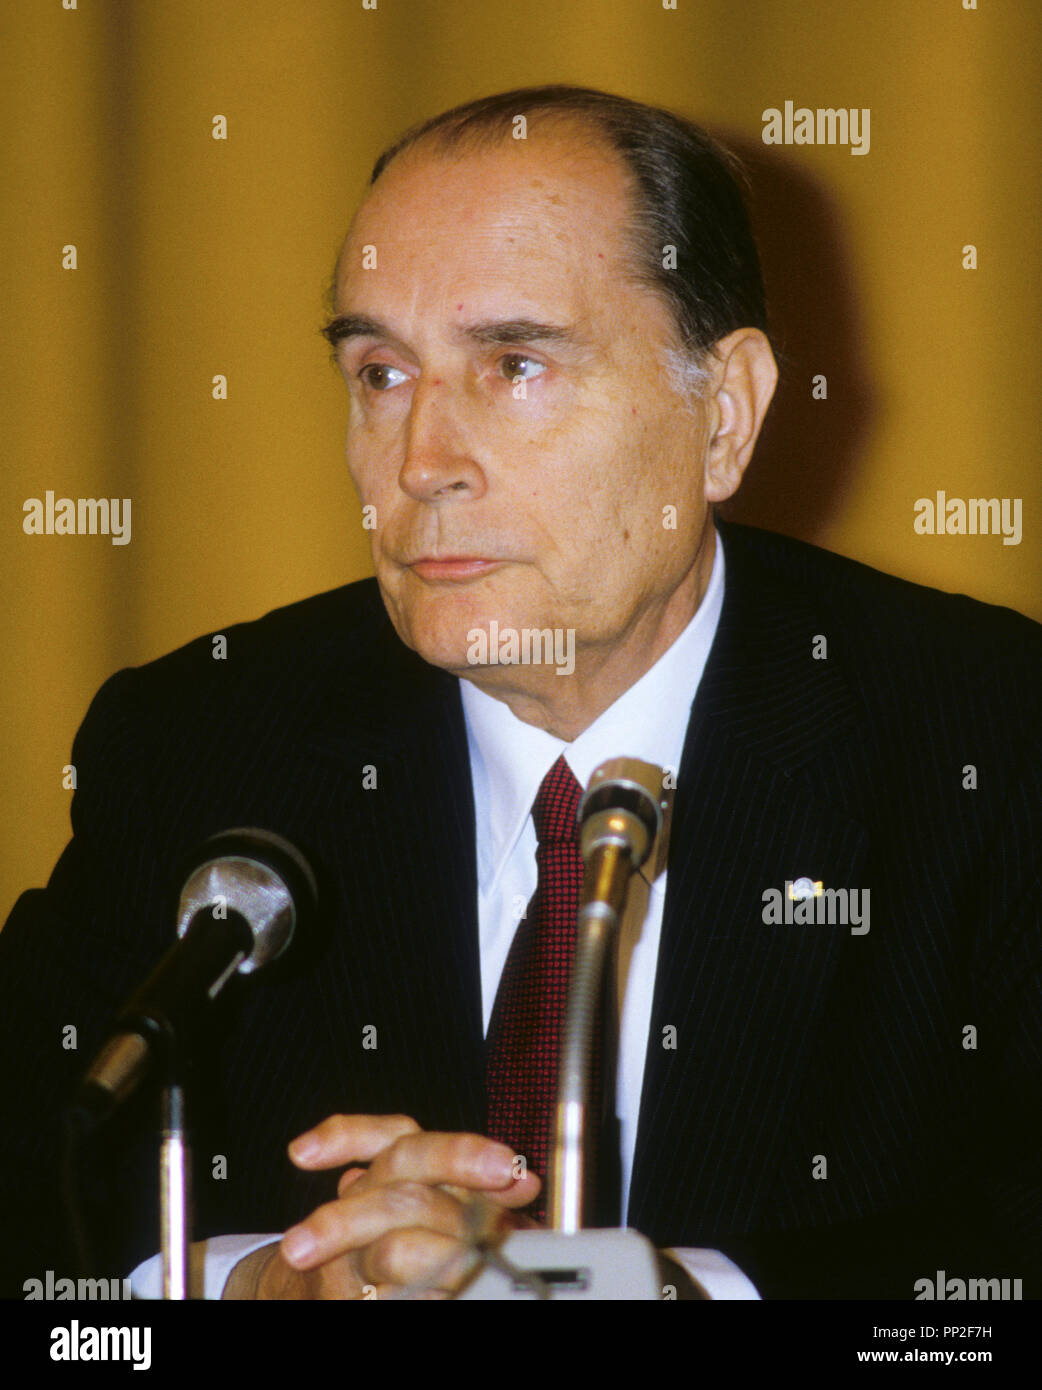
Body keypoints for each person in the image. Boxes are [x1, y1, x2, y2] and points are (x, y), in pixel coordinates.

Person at [1, 86, 1039, 1302]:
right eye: (381, 371)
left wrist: (674, 1294)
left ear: (725, 414)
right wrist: (256, 1285)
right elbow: (37, 1177)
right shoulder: (202, 741)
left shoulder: (987, 741)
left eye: (514, 363)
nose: (422, 460)